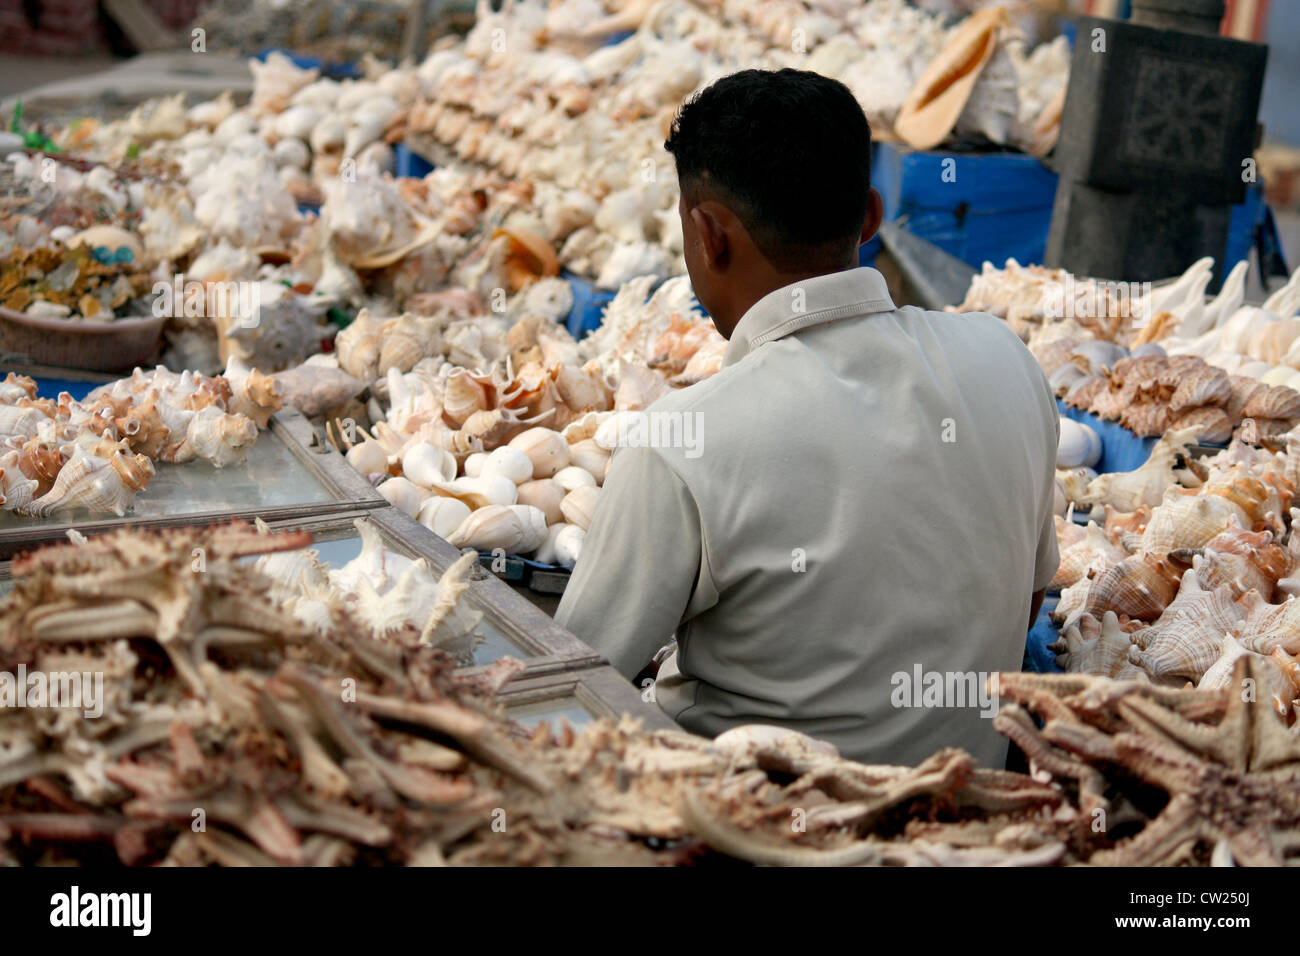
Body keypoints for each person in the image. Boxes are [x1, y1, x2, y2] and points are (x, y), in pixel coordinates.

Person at [554, 69, 1059, 768]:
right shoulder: (1005, 360)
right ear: (872, 217)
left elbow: (570, 682)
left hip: (751, 830)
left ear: (708, 235)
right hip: (968, 819)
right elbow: (1025, 602)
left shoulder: (684, 440)